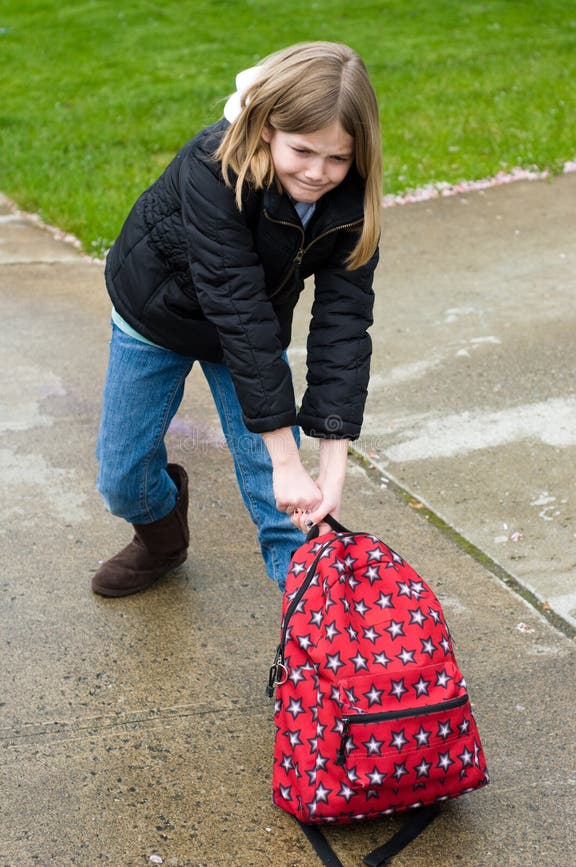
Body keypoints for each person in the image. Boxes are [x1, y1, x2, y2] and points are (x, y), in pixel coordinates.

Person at [93, 41, 382, 597]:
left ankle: (311, 632)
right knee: (122, 481)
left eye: (338, 158)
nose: (320, 173)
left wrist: (330, 468)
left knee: (285, 502)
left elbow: (344, 327)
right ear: (266, 127)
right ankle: (161, 538)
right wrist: (286, 458)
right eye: (303, 151)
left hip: (248, 331)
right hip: (158, 315)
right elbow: (235, 302)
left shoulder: (350, 197)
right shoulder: (214, 167)